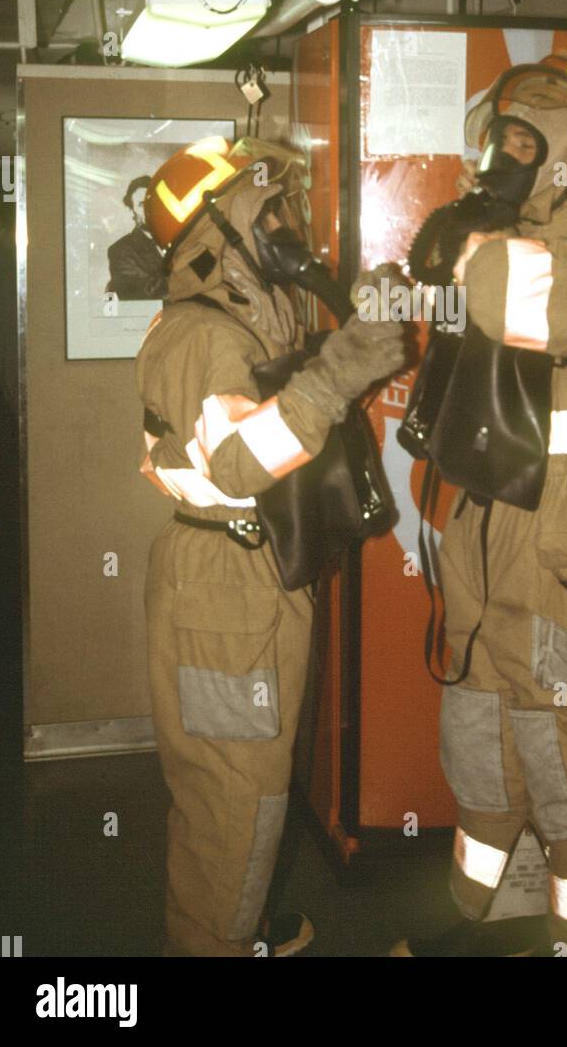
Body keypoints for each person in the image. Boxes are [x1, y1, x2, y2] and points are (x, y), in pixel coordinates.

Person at [393, 57, 567, 957]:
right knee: (480, 729)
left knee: (566, 756)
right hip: (486, 524)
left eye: (519, 138)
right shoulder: (504, 235)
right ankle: (483, 927)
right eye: (496, 139)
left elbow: (514, 295)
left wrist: (470, 227)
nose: (494, 157)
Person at [136, 134, 405, 957]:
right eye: (270, 210)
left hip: (248, 579)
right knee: (236, 793)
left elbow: (276, 401)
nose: (288, 223)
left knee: (245, 778)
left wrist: (355, 328)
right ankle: (213, 943)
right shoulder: (199, 335)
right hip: (225, 588)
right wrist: (340, 372)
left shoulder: (236, 324)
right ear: (216, 237)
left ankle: (233, 925)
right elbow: (242, 459)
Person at [107, 175, 167, 301]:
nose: (149, 209)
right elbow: (139, 294)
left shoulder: (181, 238)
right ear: (131, 211)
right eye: (141, 204)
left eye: (153, 202)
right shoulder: (120, 251)